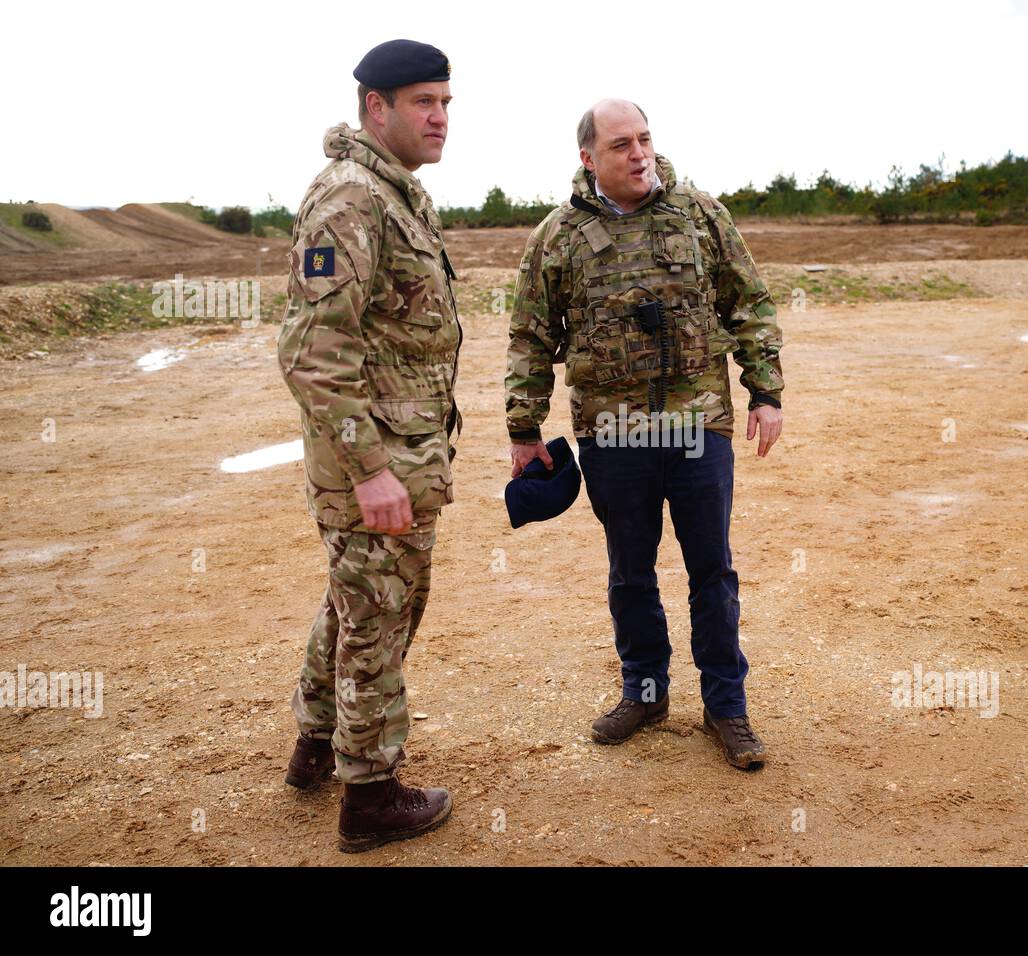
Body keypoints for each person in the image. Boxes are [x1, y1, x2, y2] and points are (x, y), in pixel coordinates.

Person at [504, 99, 785, 769]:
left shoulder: (699, 215)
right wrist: (523, 426)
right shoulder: (559, 236)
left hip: (698, 424)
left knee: (710, 570)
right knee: (631, 571)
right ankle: (647, 693)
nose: (640, 154)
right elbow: (530, 334)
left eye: (646, 139)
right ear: (589, 159)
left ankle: (727, 708)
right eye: (622, 144)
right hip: (613, 433)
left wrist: (765, 391)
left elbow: (749, 301)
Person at [277, 38, 461, 851]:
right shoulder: (352, 200)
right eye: (425, 101)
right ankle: (372, 793)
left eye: (448, 102)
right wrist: (373, 471)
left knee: (354, 606)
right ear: (375, 107)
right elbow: (314, 354)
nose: (441, 117)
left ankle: (316, 745)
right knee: (378, 617)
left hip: (405, 458)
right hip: (376, 467)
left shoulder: (400, 195)